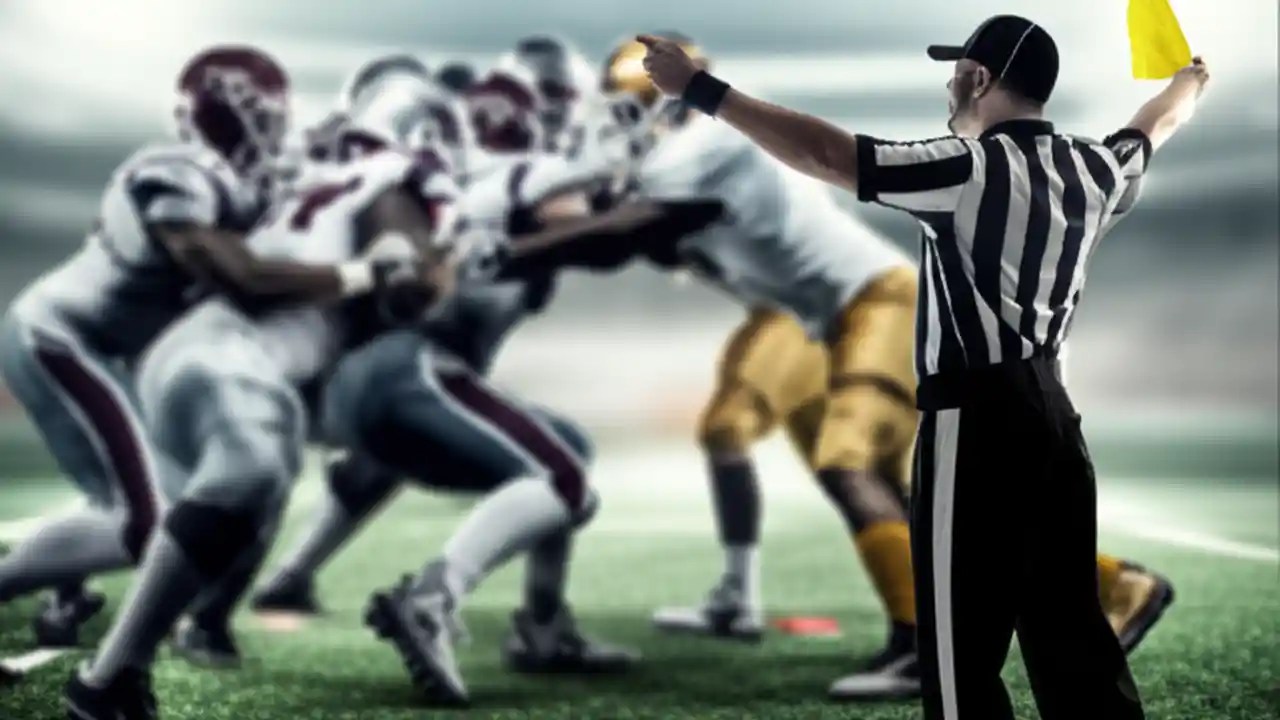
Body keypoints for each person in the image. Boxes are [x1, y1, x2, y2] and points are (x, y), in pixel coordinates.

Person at [637, 15, 1208, 720]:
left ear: (979, 78)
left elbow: (826, 155)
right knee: (1074, 640)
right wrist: (1192, 77)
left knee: (959, 655)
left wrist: (701, 90)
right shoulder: (1094, 168)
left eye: (956, 70)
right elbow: (1158, 123)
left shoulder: (963, 165)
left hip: (975, 420)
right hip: (1058, 421)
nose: (949, 83)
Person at [63, 65, 459, 719]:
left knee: (168, 516)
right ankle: (108, 679)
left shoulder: (307, 168)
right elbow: (411, 286)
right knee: (252, 473)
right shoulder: (395, 179)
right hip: (235, 355)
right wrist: (433, 262)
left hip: (194, 349)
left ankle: (137, 658)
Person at [0, 45, 399, 649]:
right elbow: (245, 279)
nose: (279, 131)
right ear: (231, 113)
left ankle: (65, 592)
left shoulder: (237, 178)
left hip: (117, 352)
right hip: (62, 341)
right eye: (268, 116)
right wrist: (358, 274)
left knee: (141, 496)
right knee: (142, 525)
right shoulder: (177, 169)